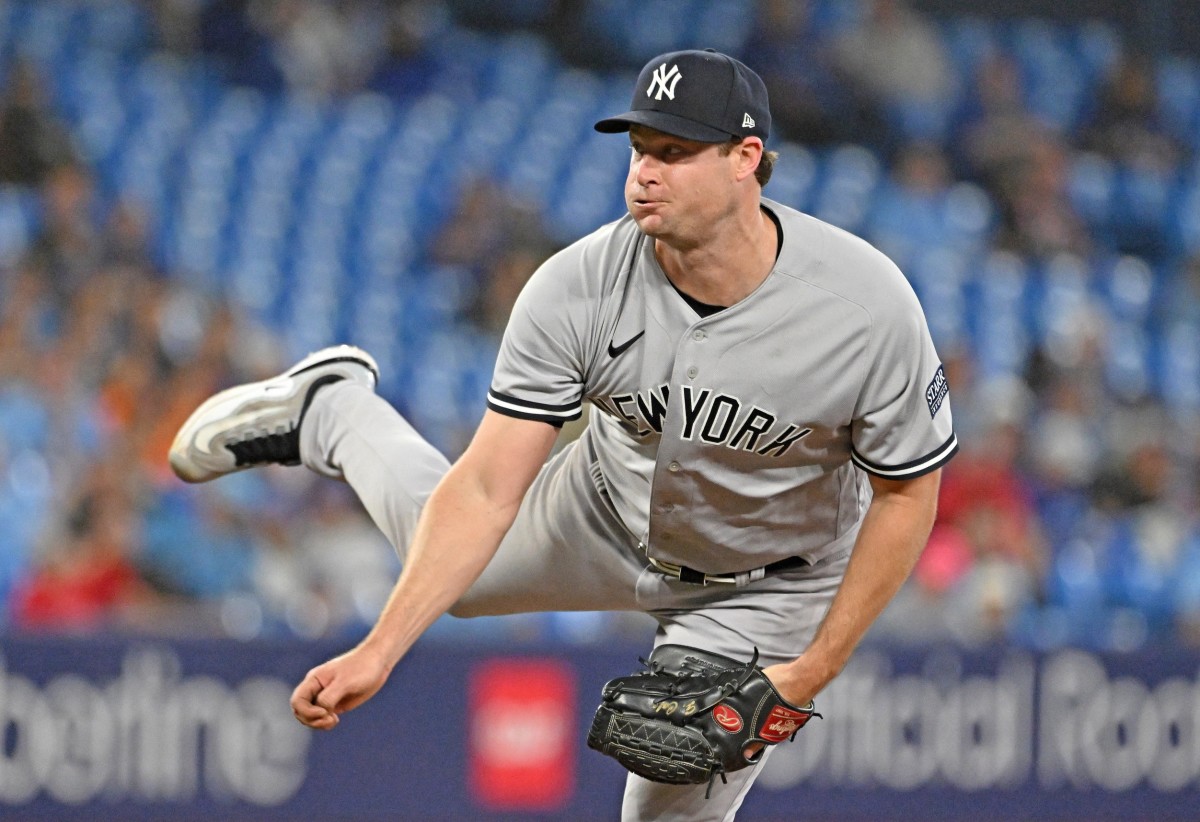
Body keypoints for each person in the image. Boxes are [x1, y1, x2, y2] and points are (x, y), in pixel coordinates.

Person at [169, 49, 957, 821]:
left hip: (770, 581)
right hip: (604, 512)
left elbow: (907, 493)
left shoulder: (865, 308)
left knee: (664, 815)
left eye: (675, 153)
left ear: (745, 159)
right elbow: (484, 490)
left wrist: (811, 670)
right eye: (640, 148)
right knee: (455, 576)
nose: (644, 172)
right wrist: (381, 646)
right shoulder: (576, 287)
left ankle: (328, 410)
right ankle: (332, 409)